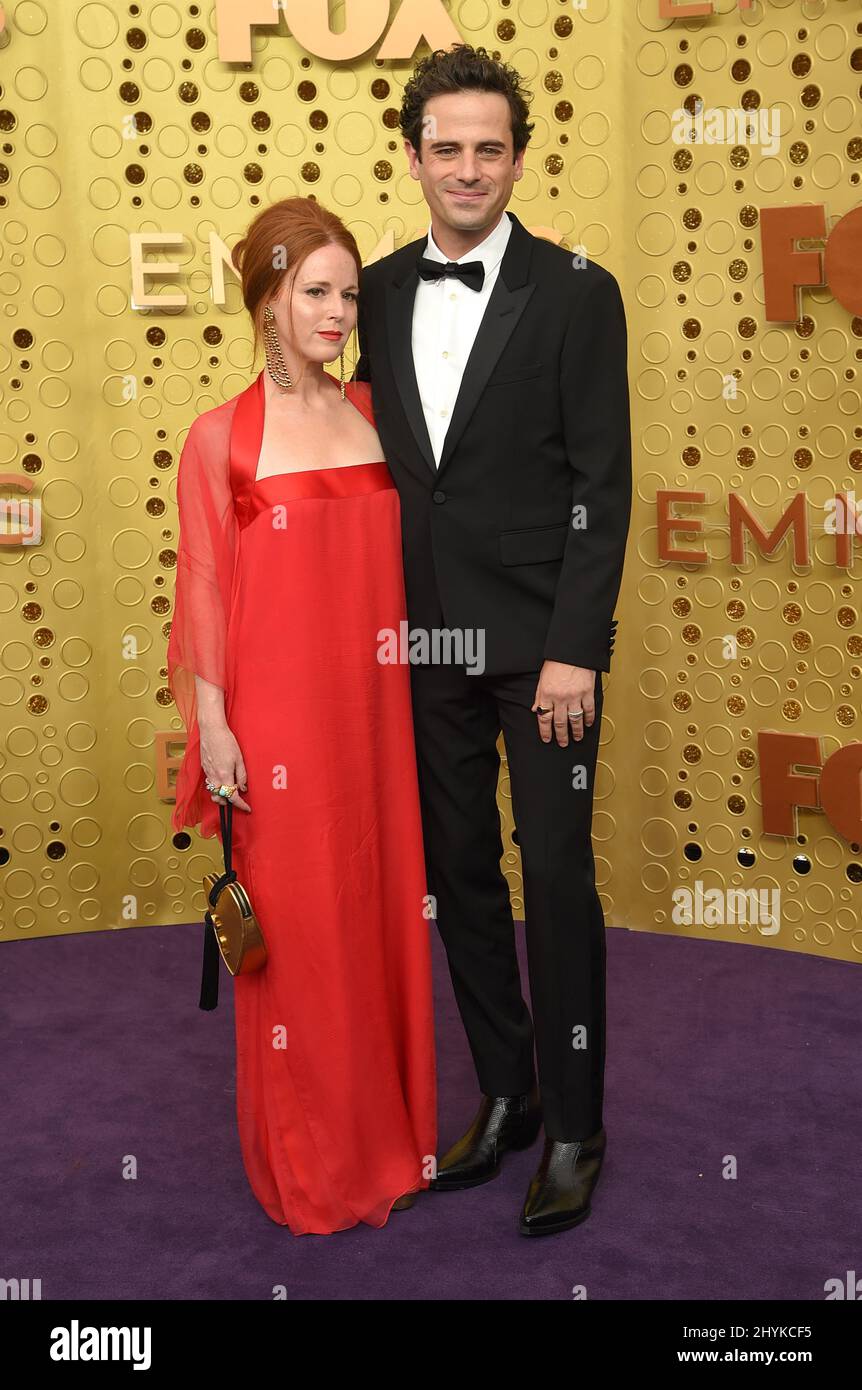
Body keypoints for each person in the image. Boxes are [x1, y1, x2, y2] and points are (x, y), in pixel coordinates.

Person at [355, 44, 632, 1236]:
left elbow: (602, 481)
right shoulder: (367, 288)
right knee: (456, 876)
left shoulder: (578, 289)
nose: (468, 168)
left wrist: (576, 647)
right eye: (447, 147)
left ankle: (576, 1121)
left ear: (517, 157)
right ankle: (509, 1093)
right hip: (423, 640)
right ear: (413, 157)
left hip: (541, 650)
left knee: (556, 877)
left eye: (490, 147)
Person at [167, 196, 437, 1235]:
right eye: (313, 292)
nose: (334, 312)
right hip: (277, 733)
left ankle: (390, 1145)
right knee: (304, 945)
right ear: (268, 298)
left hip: (379, 717)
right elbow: (201, 590)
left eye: (348, 294)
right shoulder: (218, 439)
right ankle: (314, 1165)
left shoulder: (377, 409)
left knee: (378, 920)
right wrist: (218, 725)